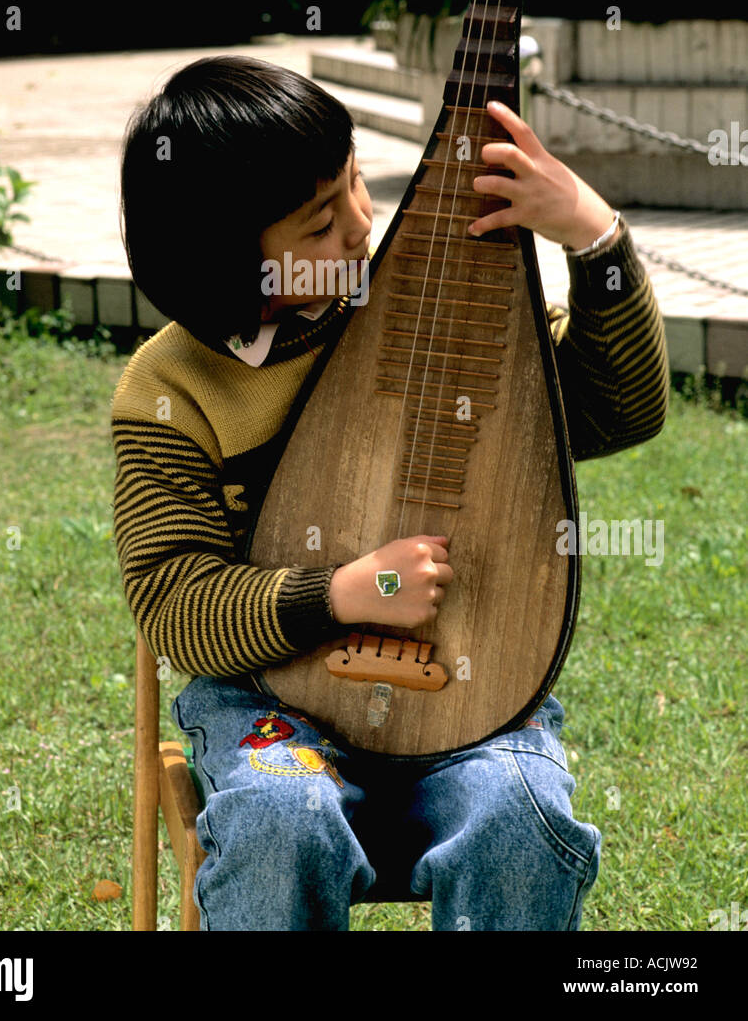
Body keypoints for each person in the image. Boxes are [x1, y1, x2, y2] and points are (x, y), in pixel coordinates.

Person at [112, 53, 668, 931]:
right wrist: (348, 590)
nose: (362, 228)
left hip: (475, 693)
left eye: (357, 185)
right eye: (320, 221)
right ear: (230, 259)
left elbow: (618, 410)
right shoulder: (172, 389)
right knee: (280, 821)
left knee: (517, 821)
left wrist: (593, 237)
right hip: (274, 708)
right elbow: (176, 606)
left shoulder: (424, 305)